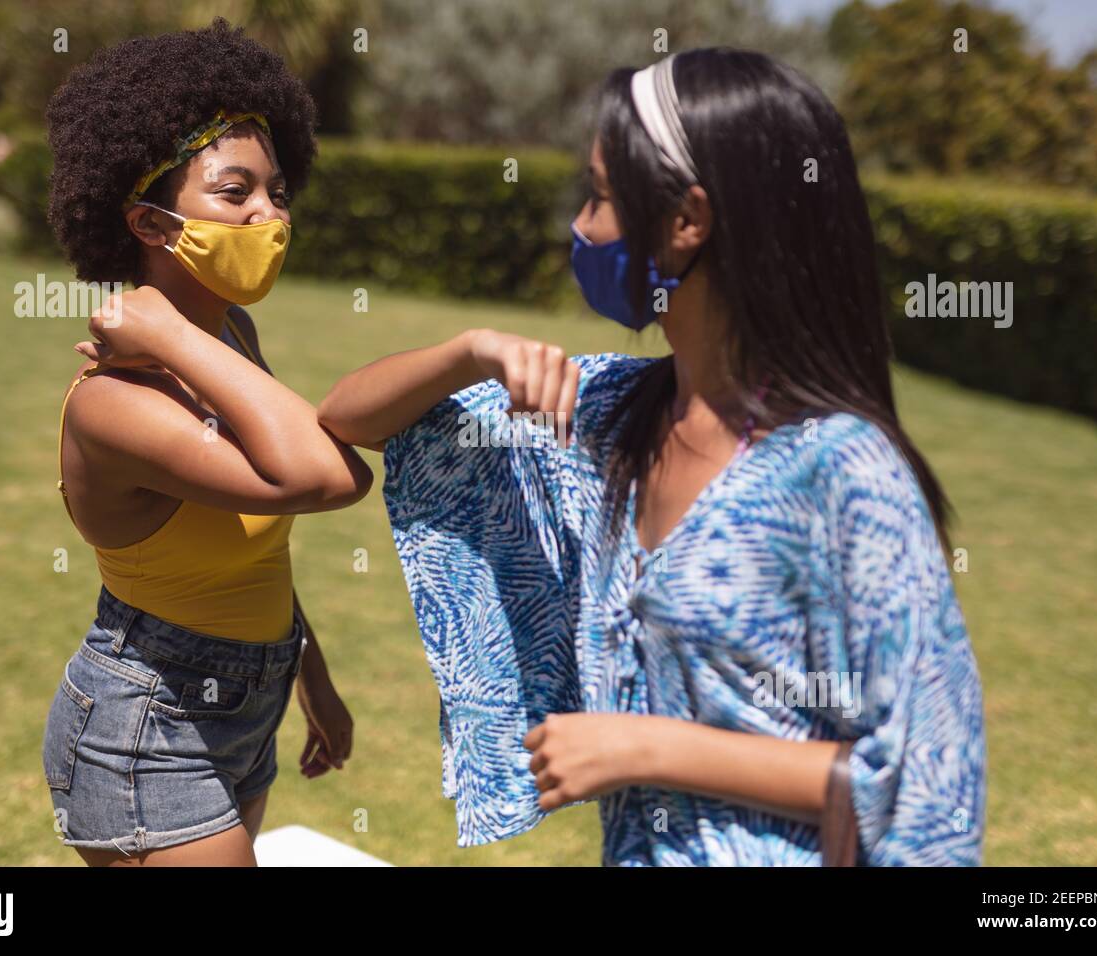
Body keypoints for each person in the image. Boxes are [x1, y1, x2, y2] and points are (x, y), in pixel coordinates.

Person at [317, 48, 986, 865]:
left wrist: (646, 749)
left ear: (687, 220)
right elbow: (351, 418)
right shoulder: (607, 415)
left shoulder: (842, 471)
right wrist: (470, 351)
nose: (583, 228)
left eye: (600, 196)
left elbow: (926, 780)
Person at [41, 19, 371, 866]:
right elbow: (328, 476)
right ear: (148, 224)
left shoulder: (234, 340)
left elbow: (253, 553)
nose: (271, 214)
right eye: (236, 193)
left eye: (278, 190)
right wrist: (172, 337)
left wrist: (312, 673)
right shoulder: (116, 403)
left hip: (244, 703)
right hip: (150, 726)